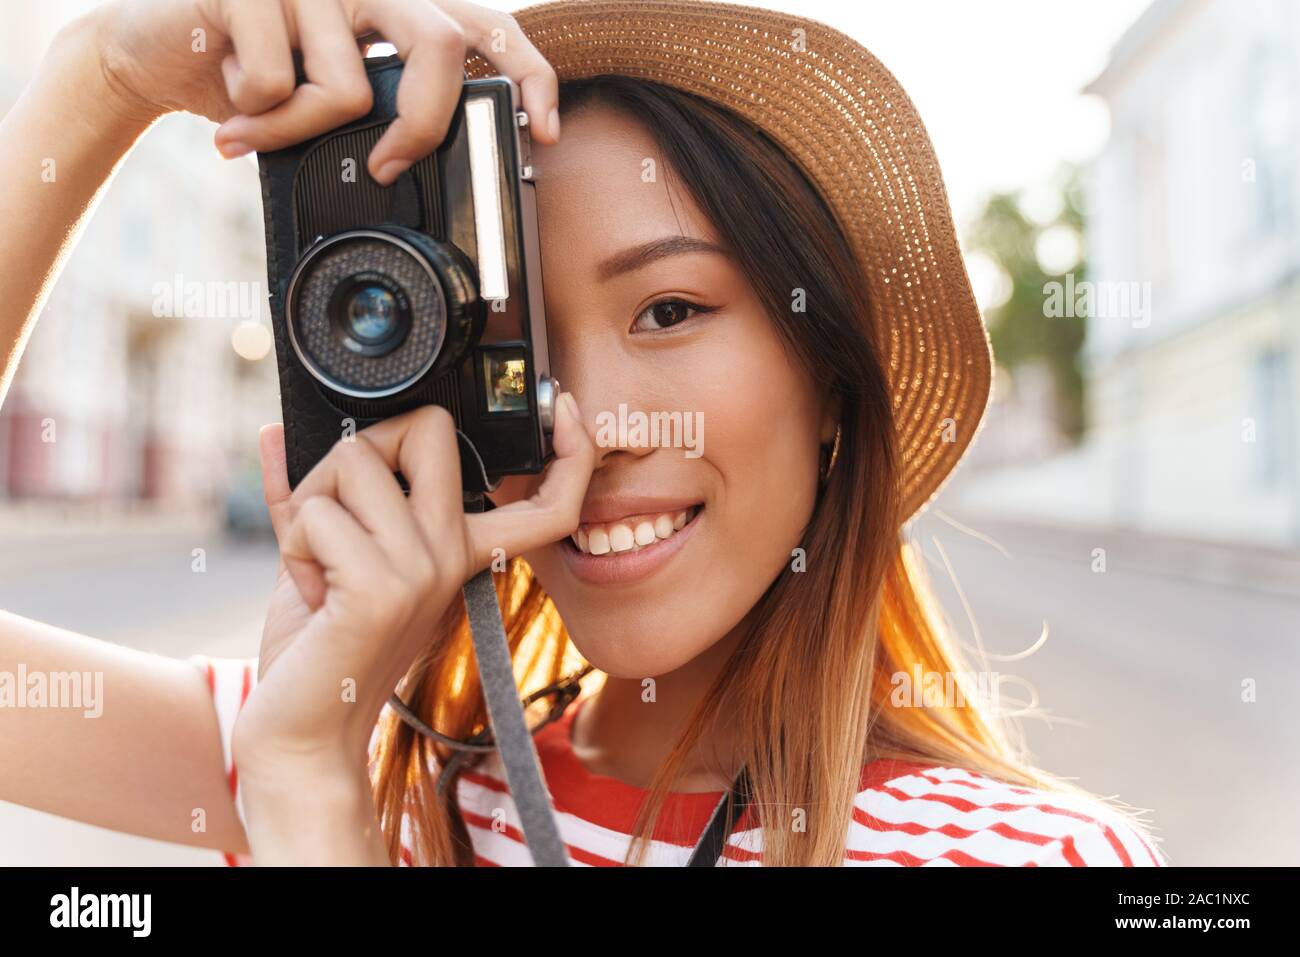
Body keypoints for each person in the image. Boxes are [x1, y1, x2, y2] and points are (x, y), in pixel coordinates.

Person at [0, 0, 1166, 867]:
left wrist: (309, 816)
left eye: (671, 309)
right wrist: (98, 75)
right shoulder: (351, 751)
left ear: (830, 381)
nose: (594, 426)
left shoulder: (1009, 854)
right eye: (519, 346)